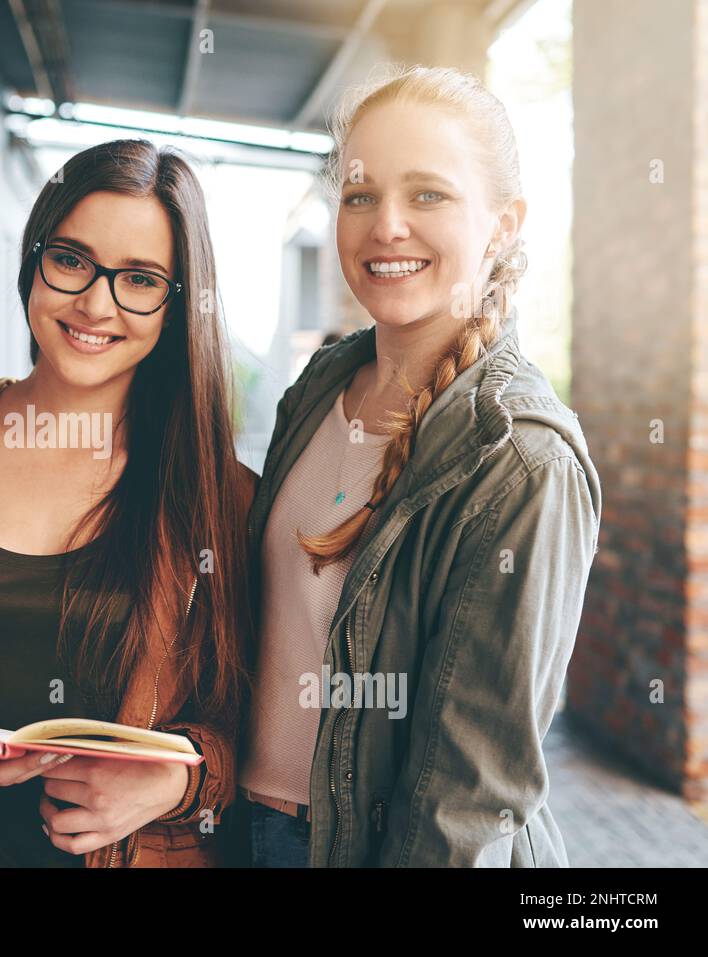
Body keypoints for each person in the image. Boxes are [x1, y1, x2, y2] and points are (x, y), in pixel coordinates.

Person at [0, 139, 255, 867]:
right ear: (33, 259)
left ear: (176, 303)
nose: (96, 302)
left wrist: (174, 782)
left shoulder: (221, 499)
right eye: (71, 260)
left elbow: (250, 724)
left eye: (140, 279)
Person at [240, 65, 601, 867]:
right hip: (247, 830)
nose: (386, 226)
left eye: (428, 195)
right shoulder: (319, 387)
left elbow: (466, 799)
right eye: (361, 195)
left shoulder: (524, 459)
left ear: (503, 224)